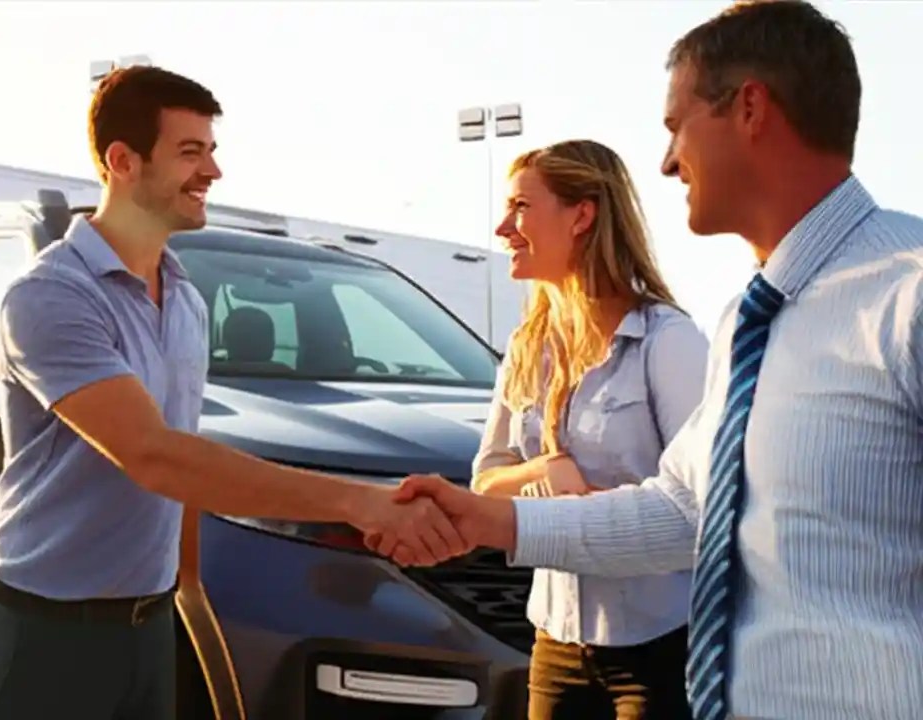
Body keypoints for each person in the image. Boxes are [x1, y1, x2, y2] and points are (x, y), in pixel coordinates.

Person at [386, 2, 923, 719]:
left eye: (676, 126)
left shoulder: (909, 292)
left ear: (751, 109)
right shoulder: (748, 320)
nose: (668, 162)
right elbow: (683, 508)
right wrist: (492, 521)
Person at [0, 65, 471, 720]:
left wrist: (184, 598)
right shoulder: (53, 296)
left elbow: (184, 456)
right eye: (190, 152)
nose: (213, 171)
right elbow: (154, 456)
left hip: (146, 630)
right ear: (122, 161)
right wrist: (360, 503)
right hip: (47, 633)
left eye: (211, 150)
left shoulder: (186, 300)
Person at [472, 139, 707, 719]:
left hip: (662, 651)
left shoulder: (669, 342)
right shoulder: (528, 349)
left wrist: (585, 505)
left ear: (583, 214)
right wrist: (544, 473)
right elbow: (485, 484)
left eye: (521, 206)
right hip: (555, 646)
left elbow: (706, 508)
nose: (504, 227)